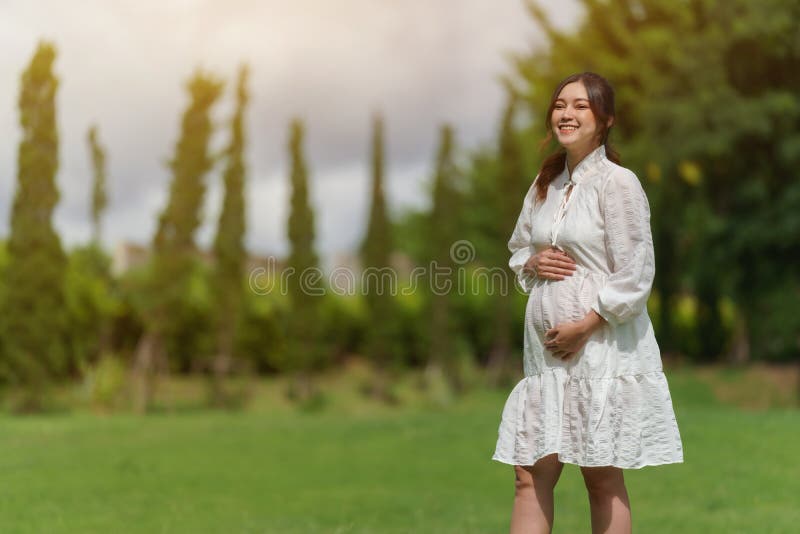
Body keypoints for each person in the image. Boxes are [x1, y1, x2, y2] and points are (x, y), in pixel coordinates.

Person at [492, 72, 684, 534]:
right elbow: (519, 249)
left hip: (599, 349)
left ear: (606, 119)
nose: (567, 113)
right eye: (560, 104)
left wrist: (587, 324)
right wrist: (532, 262)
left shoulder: (618, 183)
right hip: (545, 360)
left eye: (580, 105)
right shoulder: (545, 184)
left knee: (600, 476)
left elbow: (636, 271)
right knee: (528, 473)